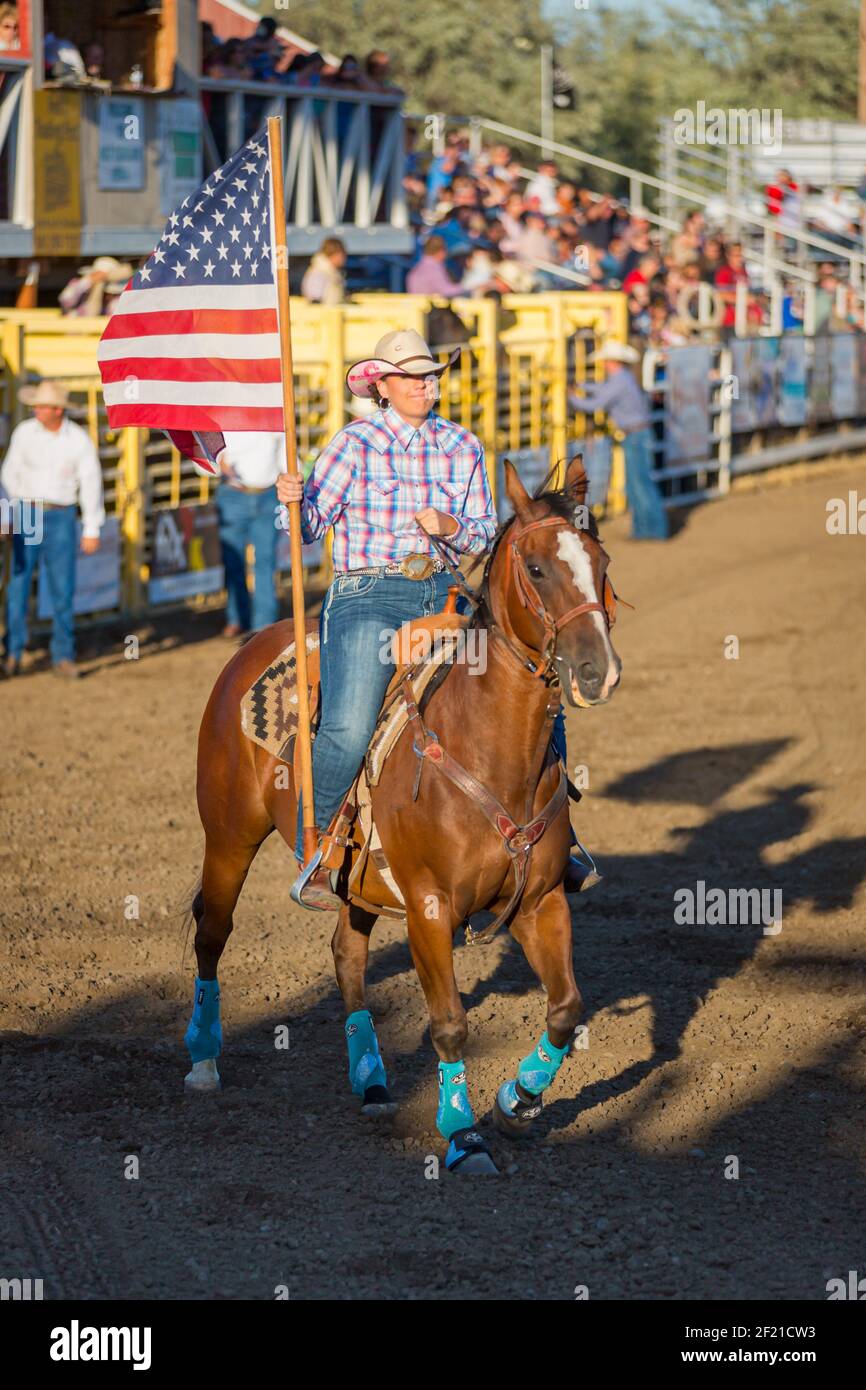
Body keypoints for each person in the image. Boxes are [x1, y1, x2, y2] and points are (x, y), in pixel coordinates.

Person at [277, 328, 597, 909]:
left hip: (448, 595)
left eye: (431, 376)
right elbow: (307, 531)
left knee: (536, 690)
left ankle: (558, 834)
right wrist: (292, 502)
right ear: (382, 385)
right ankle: (319, 847)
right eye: (413, 377)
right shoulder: (352, 445)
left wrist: (452, 529)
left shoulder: (462, 445)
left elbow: (481, 533)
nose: (426, 385)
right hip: (367, 593)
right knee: (349, 724)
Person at [1, 380, 105, 678]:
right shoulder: (26, 434)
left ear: (57, 410)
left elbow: (91, 483)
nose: (36, 409)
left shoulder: (77, 440)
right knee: (20, 584)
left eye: (41, 405)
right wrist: (6, 516)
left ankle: (61, 653)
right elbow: (9, 476)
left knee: (62, 587)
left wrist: (92, 527)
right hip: (29, 510)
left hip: (59, 514)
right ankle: (14, 651)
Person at [569, 342, 669, 541]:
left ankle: (654, 530)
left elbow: (595, 404)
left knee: (640, 484)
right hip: (637, 434)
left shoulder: (619, 381)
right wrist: (582, 386)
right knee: (638, 484)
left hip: (635, 435)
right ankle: (646, 530)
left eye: (606, 361)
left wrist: (572, 397)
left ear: (612, 362)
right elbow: (603, 390)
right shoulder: (622, 379)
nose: (605, 364)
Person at [215, 432, 285, 639]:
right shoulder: (225, 416)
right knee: (234, 560)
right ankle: (239, 618)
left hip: (267, 494)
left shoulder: (274, 417)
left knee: (265, 559)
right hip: (235, 494)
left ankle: (262, 623)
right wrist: (218, 462)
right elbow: (205, 462)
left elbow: (286, 458)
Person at [59, 257, 133, 317]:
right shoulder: (82, 294)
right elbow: (65, 299)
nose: (108, 296)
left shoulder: (115, 302)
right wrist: (90, 280)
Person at [301, 237, 347, 305]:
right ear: (336, 254)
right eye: (343, 254)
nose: (344, 258)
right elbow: (315, 301)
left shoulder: (329, 271)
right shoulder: (319, 272)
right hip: (324, 314)